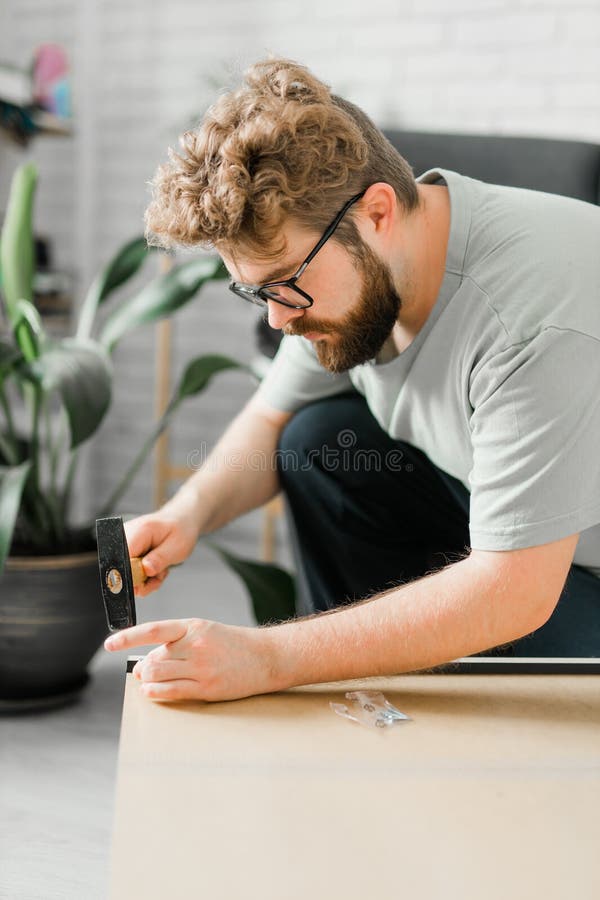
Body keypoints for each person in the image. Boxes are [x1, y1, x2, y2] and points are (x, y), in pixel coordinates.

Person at [104, 57, 600, 701]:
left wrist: (270, 657)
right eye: (258, 293)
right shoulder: (359, 272)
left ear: (377, 212)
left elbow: (515, 593)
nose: (280, 319)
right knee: (317, 438)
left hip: (552, 572)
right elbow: (271, 417)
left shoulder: (533, 323)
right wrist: (186, 515)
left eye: (286, 284)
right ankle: (359, 704)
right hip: (519, 535)